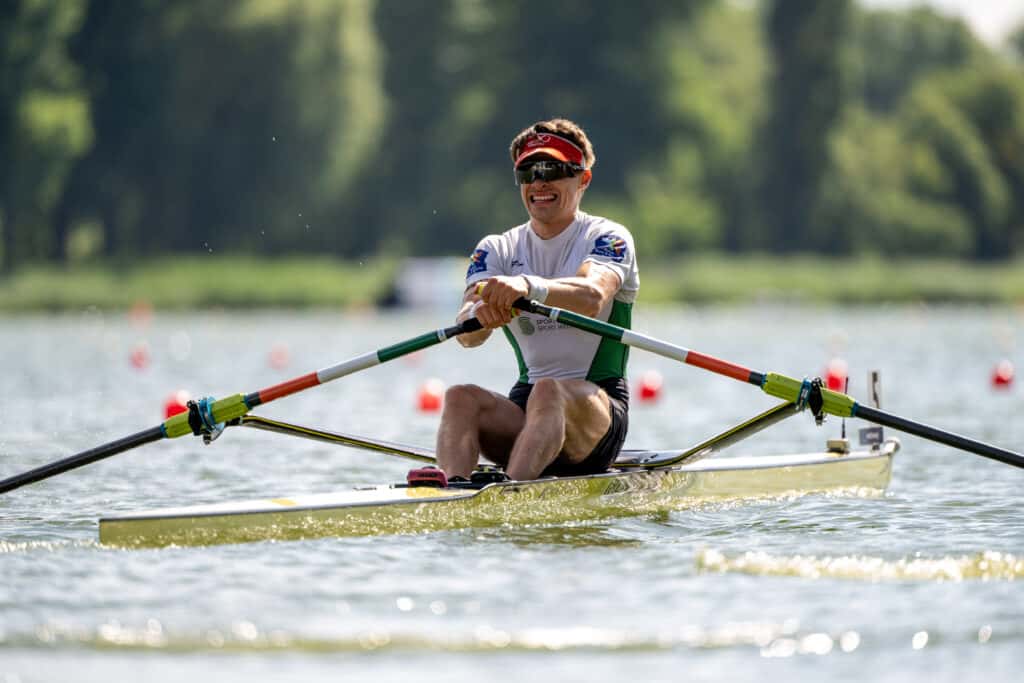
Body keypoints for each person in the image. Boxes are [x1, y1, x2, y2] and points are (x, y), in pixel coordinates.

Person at [435, 118, 639, 482]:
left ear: (583, 179)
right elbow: (467, 335)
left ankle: (512, 491)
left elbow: (592, 295)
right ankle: (453, 491)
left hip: (598, 414)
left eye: (554, 170)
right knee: (459, 397)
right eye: (528, 172)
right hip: (526, 409)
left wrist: (528, 286)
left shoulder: (607, 237)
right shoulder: (496, 248)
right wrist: (481, 314)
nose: (539, 182)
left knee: (548, 391)